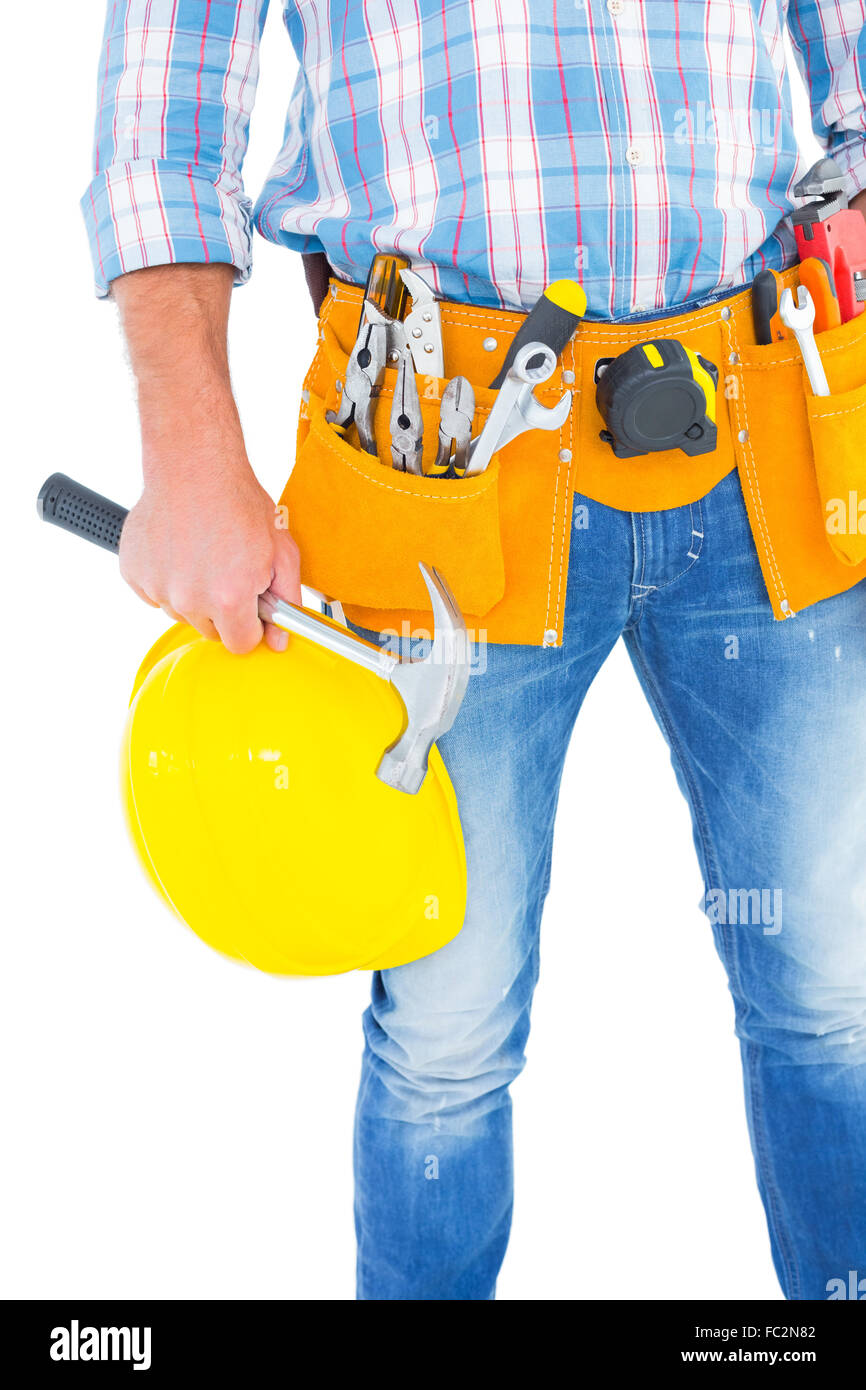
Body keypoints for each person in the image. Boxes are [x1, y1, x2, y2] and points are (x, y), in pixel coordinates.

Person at [84, 1, 866, 1300]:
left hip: (766, 415)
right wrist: (190, 454)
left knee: (830, 984)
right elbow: (160, 123)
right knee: (447, 1026)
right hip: (433, 461)